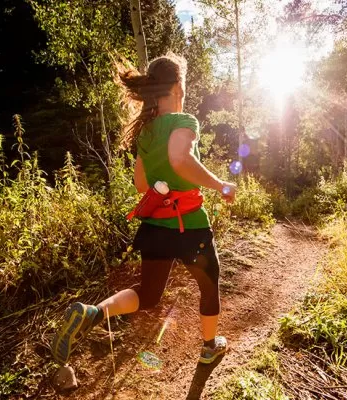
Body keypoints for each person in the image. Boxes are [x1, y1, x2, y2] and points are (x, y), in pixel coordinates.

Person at [51, 53, 236, 366]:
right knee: (209, 282)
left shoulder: (146, 131)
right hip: (188, 224)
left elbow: (140, 183)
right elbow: (180, 159)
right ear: (178, 87)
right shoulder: (184, 121)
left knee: (148, 294)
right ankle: (209, 346)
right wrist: (220, 185)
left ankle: (94, 313)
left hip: (155, 224)